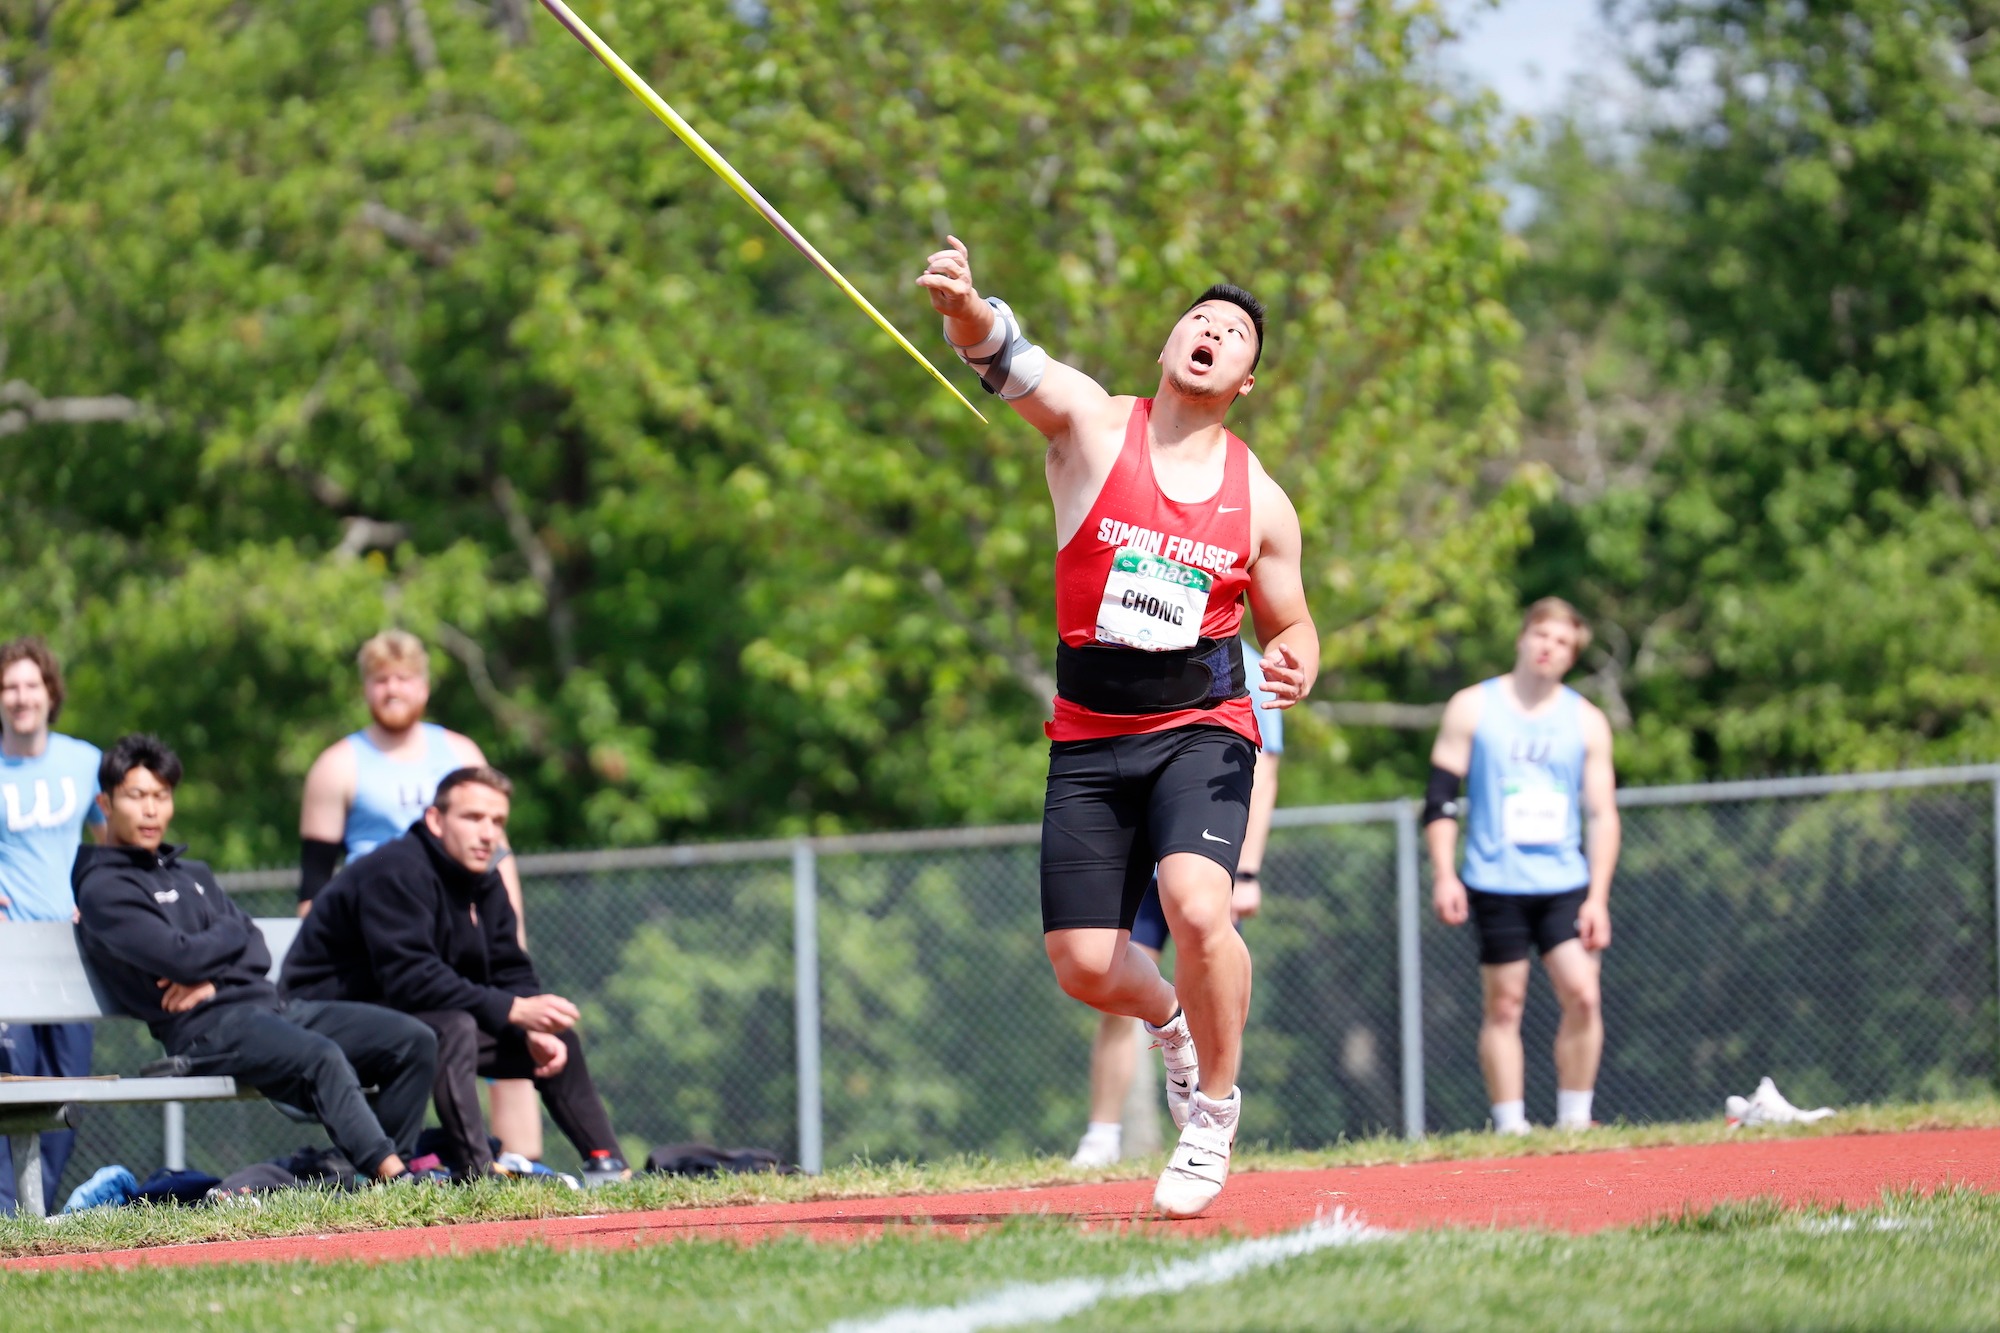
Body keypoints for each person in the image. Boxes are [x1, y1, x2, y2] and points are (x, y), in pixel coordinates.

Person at [919, 239, 1320, 1218]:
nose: (1211, 335)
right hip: (1091, 737)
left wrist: (1298, 655)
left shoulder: (1259, 501)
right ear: (1168, 342)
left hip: (1203, 726)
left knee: (1193, 904)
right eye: (1200, 320)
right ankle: (1173, 1025)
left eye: (1232, 335)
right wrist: (966, 302)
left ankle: (1212, 1117)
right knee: (1085, 963)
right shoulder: (1095, 428)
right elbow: (1005, 357)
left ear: (1245, 380)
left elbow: (1292, 620)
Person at [73, 735, 438, 1184]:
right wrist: (220, 951)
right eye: (137, 796)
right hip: (204, 1030)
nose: (151, 810)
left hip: (272, 1009)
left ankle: (371, 1176)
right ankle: (394, 1177)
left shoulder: (193, 873)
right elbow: (182, 959)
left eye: (161, 796)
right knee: (321, 1057)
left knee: (413, 1041)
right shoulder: (103, 888)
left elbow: (256, 946)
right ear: (105, 803)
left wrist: (213, 975)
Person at [280, 766, 631, 1186]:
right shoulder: (394, 869)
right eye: (473, 818)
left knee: (555, 1041)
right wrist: (513, 1010)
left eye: (497, 821)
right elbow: (411, 978)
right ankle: (479, 1174)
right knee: (453, 1027)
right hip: (322, 1019)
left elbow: (508, 965)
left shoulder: (483, 876)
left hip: (408, 1017)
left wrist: (532, 1022)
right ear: (435, 819)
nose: (488, 833)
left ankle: (609, 1167)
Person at [298, 630, 544, 1162]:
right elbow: (312, 890)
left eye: (404, 678)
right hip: (380, 946)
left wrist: (510, 928)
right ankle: (398, 1161)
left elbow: (498, 854)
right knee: (435, 1033)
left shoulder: (458, 751)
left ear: (425, 687)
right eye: (381, 679)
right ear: (365, 689)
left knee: (512, 1022)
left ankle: (517, 1160)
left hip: (457, 927)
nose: (393, 690)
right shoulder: (339, 764)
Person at [1069, 642, 1285, 1168]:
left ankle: (1211, 1116)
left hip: (1204, 862)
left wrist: (1247, 870)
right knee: (1117, 987)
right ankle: (1101, 1135)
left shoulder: (1248, 666)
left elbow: (1262, 777)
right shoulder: (1131, 635)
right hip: (1145, 866)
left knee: (1213, 989)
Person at [1425, 598, 1620, 1134]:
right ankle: (1511, 1127)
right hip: (1495, 880)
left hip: (1564, 882)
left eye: (1561, 643)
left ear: (1571, 656)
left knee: (1583, 993)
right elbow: (1440, 798)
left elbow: (1602, 814)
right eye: (1541, 635)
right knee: (1505, 1005)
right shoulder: (1472, 707)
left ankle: (1576, 1119)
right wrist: (1445, 873)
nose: (1547, 647)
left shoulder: (1586, 720)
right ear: (1522, 638)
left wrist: (1598, 897)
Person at [0, 636, 103, 1216]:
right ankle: (6, 1214)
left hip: (71, 950)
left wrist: (99, 897)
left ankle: (35, 1216)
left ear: (49, 693)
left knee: (68, 1092)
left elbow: (117, 834)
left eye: (30, 685)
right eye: (9, 686)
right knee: (9, 1087)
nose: (20, 697)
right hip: (7, 950)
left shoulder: (85, 762)